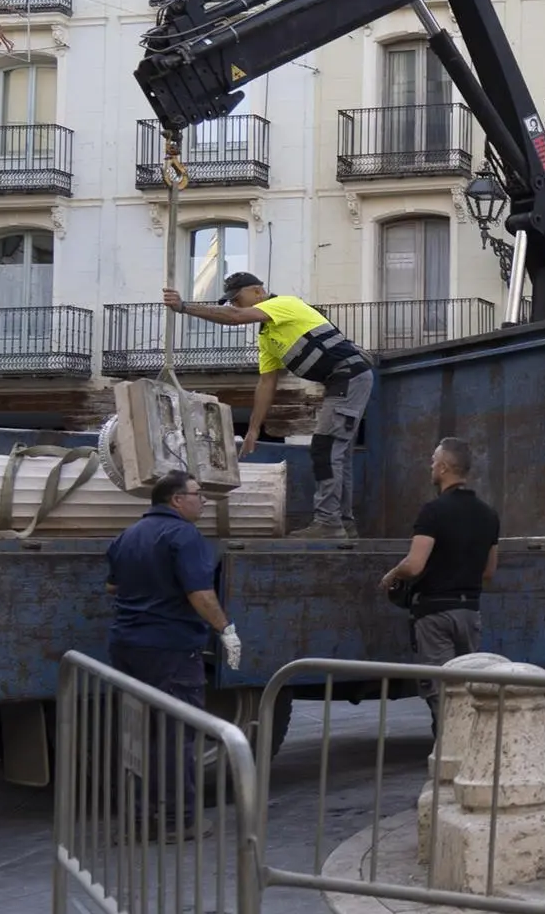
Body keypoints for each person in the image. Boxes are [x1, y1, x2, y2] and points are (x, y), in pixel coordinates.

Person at [164, 272, 373, 539]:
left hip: (349, 375)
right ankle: (342, 523)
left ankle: (329, 523)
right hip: (343, 380)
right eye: (231, 301)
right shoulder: (267, 338)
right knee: (336, 452)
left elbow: (235, 318)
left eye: (237, 299)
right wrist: (253, 428)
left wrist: (184, 307)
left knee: (326, 448)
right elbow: (267, 383)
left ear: (258, 292)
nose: (234, 305)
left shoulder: (284, 304)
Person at [105, 470, 242, 841]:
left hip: (128, 646)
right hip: (170, 648)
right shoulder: (185, 535)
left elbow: (112, 584)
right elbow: (200, 594)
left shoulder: (128, 535)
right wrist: (225, 630)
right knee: (174, 735)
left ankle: (137, 818)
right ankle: (176, 820)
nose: (203, 501)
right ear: (177, 500)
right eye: (198, 494)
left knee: (137, 734)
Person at [379, 437, 500, 726]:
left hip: (434, 615)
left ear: (445, 467)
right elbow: (489, 571)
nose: (430, 466)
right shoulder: (488, 515)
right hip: (470, 613)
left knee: (442, 695)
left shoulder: (433, 511)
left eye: (434, 461)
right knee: (468, 690)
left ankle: (448, 757)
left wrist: (391, 575)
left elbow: (414, 564)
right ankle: (469, 754)